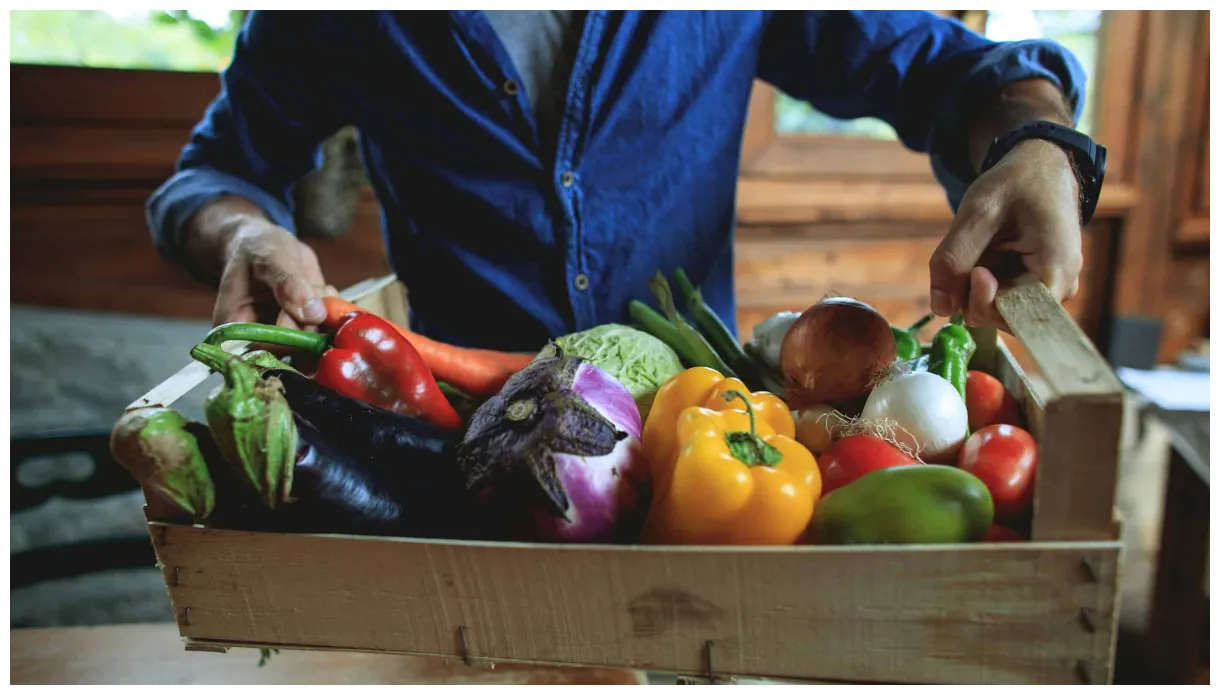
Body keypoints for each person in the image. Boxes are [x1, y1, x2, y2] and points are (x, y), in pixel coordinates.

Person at [148, 10, 1093, 351]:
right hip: (461, 451)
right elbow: (218, 172)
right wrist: (242, 234)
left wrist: (1038, 142)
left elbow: (956, 69)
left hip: (706, 439)